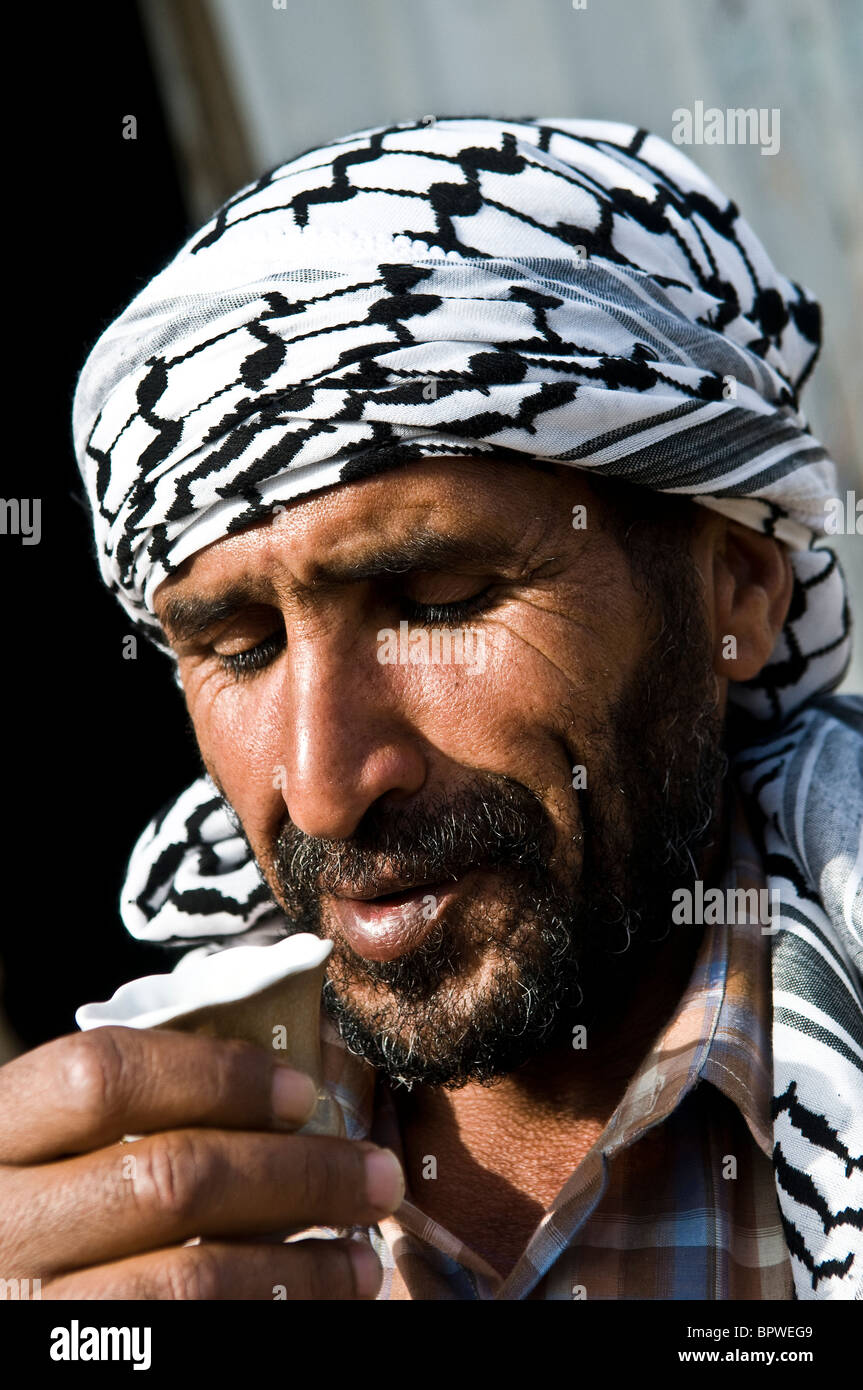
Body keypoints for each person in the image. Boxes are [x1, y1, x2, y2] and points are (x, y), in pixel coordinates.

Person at [1, 118, 860, 1301]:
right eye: (237, 647)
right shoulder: (120, 1214)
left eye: (439, 597)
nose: (320, 780)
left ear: (738, 589)